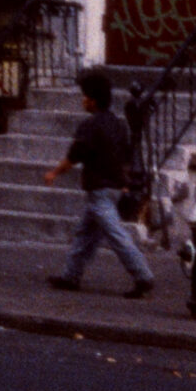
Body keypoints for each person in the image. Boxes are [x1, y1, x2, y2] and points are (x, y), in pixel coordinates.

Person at [44, 68, 154, 298]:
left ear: (93, 101)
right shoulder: (118, 124)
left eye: (85, 96)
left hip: (99, 191)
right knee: (85, 235)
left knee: (116, 235)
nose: (83, 100)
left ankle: (143, 276)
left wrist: (54, 173)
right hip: (113, 188)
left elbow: (74, 156)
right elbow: (126, 156)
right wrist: (125, 183)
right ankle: (70, 276)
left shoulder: (90, 126)